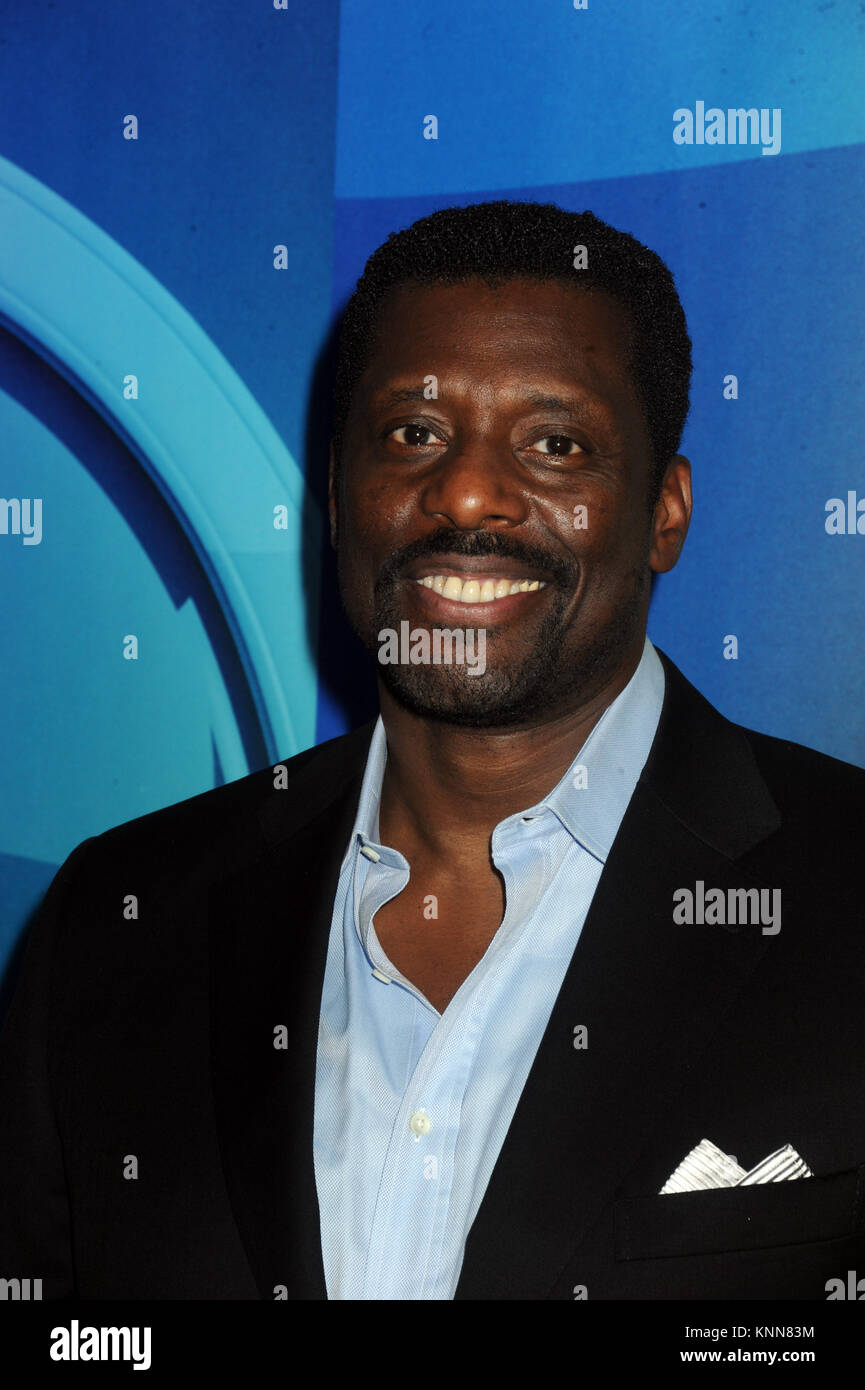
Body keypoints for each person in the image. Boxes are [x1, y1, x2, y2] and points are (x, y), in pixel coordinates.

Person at [1, 201, 863, 1301]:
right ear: (332, 495)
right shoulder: (117, 922)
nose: (463, 492)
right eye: (412, 432)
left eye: (555, 443)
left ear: (664, 513)